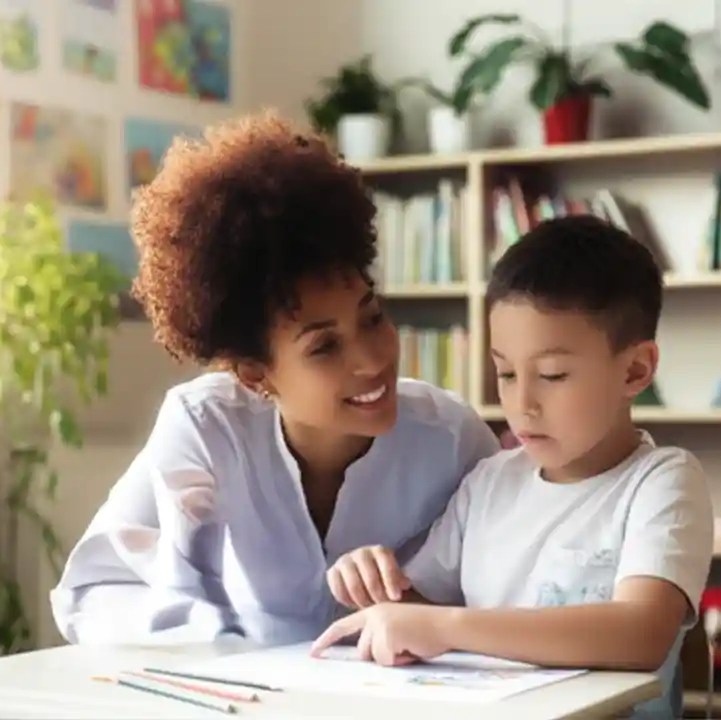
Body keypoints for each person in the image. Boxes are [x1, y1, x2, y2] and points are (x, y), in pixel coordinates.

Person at [49, 113, 500, 646]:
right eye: (324, 346)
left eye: (372, 316)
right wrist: (196, 614)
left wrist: (421, 607)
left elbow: (513, 592)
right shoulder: (204, 427)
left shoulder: (452, 440)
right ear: (255, 373)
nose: (372, 358)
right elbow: (89, 590)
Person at [312, 216, 714, 720]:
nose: (521, 403)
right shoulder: (489, 481)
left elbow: (641, 633)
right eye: (504, 372)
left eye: (552, 375)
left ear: (635, 370)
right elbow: (421, 610)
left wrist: (447, 628)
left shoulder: (661, 481)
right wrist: (377, 589)